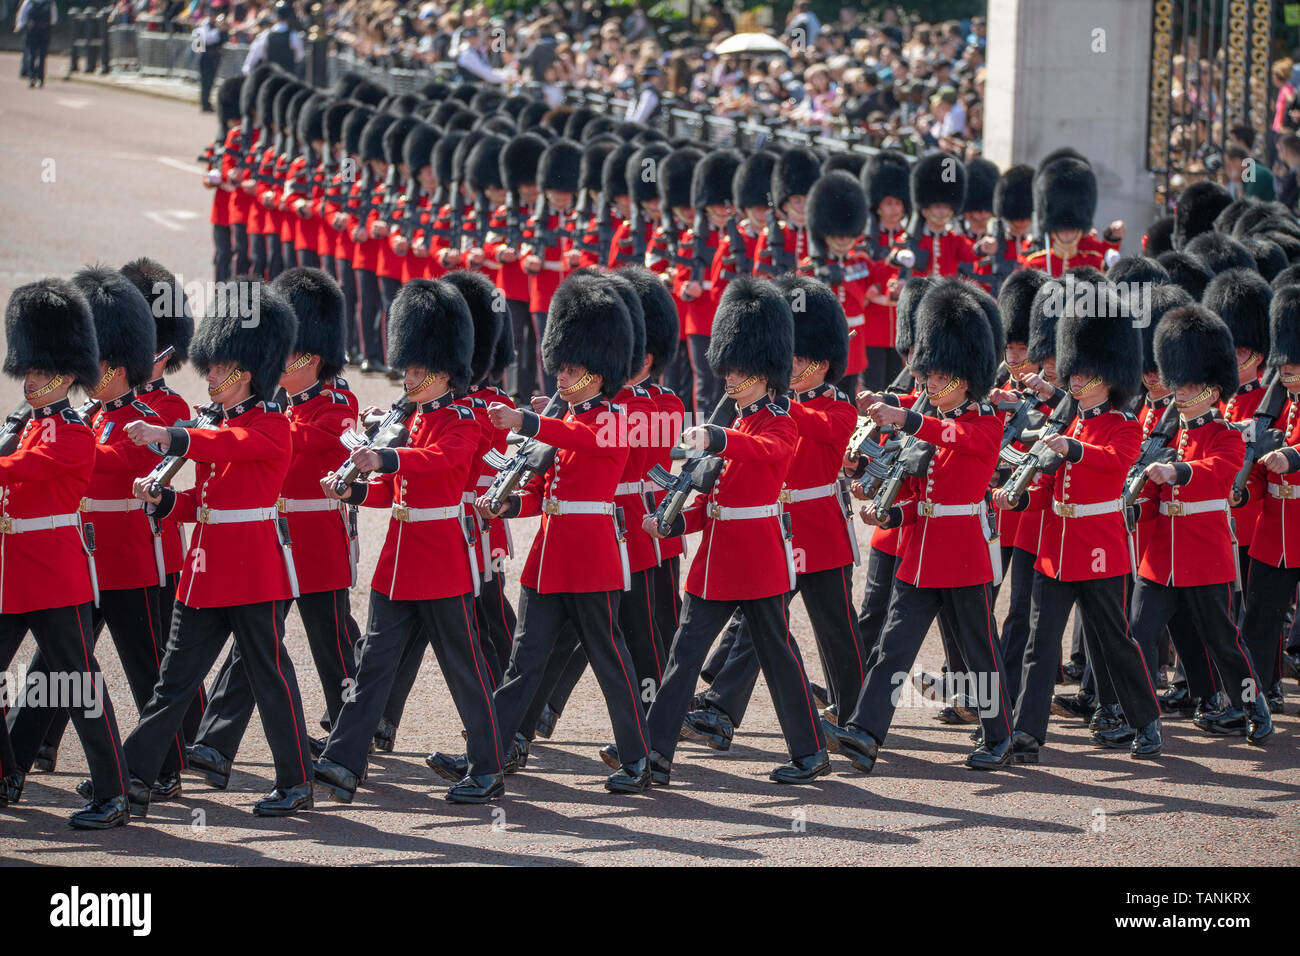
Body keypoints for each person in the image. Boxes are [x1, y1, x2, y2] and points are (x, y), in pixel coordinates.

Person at [121, 276, 315, 819]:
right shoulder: (220, 420)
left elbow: (229, 446)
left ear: (244, 372)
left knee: (271, 681)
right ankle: (134, 775)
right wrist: (163, 505)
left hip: (253, 572)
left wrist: (172, 436)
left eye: (216, 369)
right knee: (174, 682)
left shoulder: (274, 423)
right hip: (205, 572)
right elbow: (204, 502)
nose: (208, 377)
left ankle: (296, 781)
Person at [316, 279, 505, 805]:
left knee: (463, 668)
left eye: (417, 371)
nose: (408, 377)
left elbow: (445, 465)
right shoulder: (415, 417)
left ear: (442, 372)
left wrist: (388, 458)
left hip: (442, 557)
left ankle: (488, 768)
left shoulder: (462, 419)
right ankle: (343, 761)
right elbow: (395, 492)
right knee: (375, 659)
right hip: (399, 558)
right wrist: (353, 488)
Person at [4, 267, 187, 804]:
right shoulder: (73, 416)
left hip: (127, 553)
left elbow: (106, 460)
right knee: (56, 668)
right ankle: (24, 750)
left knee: (145, 668)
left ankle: (161, 765)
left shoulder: (153, 413)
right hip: (78, 554)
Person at [641, 277, 830, 786]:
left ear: (765, 374)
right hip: (719, 557)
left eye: (741, 372)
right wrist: (675, 520)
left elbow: (769, 458)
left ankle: (810, 752)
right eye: (729, 370)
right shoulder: (742, 423)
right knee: (684, 655)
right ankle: (653, 754)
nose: (731, 379)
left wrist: (720, 436)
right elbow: (718, 501)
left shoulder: (778, 422)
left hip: (759, 558)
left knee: (780, 660)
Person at [824, 278, 1015, 773]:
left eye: (937, 378)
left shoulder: (985, 422)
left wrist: (905, 417)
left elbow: (952, 436)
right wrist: (888, 511)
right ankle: (866, 733)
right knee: (894, 646)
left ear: (965, 379)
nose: (927, 384)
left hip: (964, 554)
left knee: (979, 651)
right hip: (920, 551)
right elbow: (922, 495)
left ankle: (1000, 735)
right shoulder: (933, 418)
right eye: (927, 376)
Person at [474, 272, 653, 794]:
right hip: (549, 555)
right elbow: (546, 493)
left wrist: (527, 421)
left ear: (598, 372)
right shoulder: (565, 416)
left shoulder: (616, 419)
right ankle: (488, 756)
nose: (562, 374)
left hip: (591, 555)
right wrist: (506, 504)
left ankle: (638, 759)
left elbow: (579, 437)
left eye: (572, 367)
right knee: (523, 661)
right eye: (562, 364)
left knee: (609, 659)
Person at [184, 267, 362, 787]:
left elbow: (299, 444)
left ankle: (353, 733)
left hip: (317, 538)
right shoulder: (272, 405)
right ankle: (216, 744)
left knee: (332, 645)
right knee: (254, 643)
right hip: (273, 539)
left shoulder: (336, 403)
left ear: (312, 356)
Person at [686, 274, 865, 748]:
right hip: (777, 530)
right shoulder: (769, 408)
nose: (791, 365)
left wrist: (776, 396)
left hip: (820, 529)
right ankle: (722, 709)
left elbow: (823, 430)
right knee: (760, 623)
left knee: (837, 630)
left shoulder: (837, 407)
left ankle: (858, 716)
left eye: (799, 360)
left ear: (822, 365)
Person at [995, 275, 1163, 764]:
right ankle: (1027, 734)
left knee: (1114, 641)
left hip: (1098, 546)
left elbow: (1112, 464)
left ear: (1107, 377)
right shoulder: (1069, 420)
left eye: (1082, 374)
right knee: (1039, 642)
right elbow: (1047, 481)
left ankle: (1145, 720)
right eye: (1072, 373)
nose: (1072, 381)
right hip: (1055, 549)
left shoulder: (1123, 425)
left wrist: (1072, 449)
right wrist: (1017, 498)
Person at [0, 278, 131, 829]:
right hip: (13, 575)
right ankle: (8, 774)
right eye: (25, 370)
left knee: (80, 686)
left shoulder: (72, 434)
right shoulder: (23, 426)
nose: (28, 379)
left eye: (37, 371)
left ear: (65, 375)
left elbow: (23, 471)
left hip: (54, 574)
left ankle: (114, 792)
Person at [1133, 304, 1272, 745]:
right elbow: (1151, 496)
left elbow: (1219, 472)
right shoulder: (1168, 435)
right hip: (1160, 558)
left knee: (1223, 641)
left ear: (1212, 390)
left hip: (1204, 554)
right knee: (1136, 637)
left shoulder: (1228, 435)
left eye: (1189, 383)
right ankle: (1144, 723)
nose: (1179, 388)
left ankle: (1252, 703)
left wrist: (1178, 472)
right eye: (1178, 380)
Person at [242, 0, 303, 76]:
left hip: (270, 77)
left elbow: (254, 55)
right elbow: (299, 56)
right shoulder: (293, 35)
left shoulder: (265, 35)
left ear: (275, 16)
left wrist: (248, 72)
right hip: (288, 78)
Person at [16, 0, 55, 89]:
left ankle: (31, 78)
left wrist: (20, 26)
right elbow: (53, 19)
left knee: (31, 54)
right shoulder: (49, 2)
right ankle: (41, 78)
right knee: (42, 56)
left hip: (32, 31)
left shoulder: (29, 1)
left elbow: (22, 16)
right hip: (44, 31)